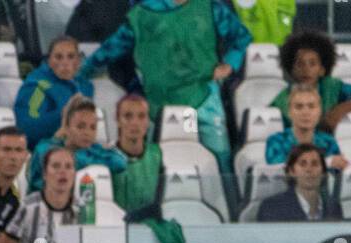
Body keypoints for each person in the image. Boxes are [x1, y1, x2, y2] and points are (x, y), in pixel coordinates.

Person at [77, 0, 252, 180]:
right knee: (153, 167)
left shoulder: (210, 7)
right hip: (158, 106)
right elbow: (111, 49)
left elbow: (242, 37)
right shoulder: (144, 13)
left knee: (219, 164)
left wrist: (229, 64)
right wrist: (80, 71)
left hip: (202, 103)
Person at [0, 146, 77, 243]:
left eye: (68, 166)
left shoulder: (82, 210)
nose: (63, 172)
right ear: (45, 174)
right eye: (56, 166)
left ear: (74, 173)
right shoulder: (27, 207)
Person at [270, 30, 351, 132]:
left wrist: (339, 110)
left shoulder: (332, 88)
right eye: (300, 64)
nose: (306, 69)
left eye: (312, 64)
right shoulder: (282, 99)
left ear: (322, 70)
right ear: (291, 70)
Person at [27, 95, 125, 193]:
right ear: (66, 127)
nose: (87, 133)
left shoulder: (93, 148)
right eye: (80, 126)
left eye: (93, 128)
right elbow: (66, 161)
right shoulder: (44, 148)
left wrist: (96, 148)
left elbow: (120, 163)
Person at [15, 35, 94, 151]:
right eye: (58, 57)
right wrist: (65, 114)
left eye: (71, 56)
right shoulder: (38, 86)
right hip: (45, 151)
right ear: (49, 60)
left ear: (78, 60)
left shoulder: (85, 86)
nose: (65, 63)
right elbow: (27, 127)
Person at [265, 84, 351, 173]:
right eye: (299, 107)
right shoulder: (276, 141)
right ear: (289, 112)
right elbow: (279, 172)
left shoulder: (328, 141)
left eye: (311, 106)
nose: (305, 112)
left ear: (319, 111)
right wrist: (326, 163)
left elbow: (337, 177)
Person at [257, 142, 343, 222]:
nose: (309, 169)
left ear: (323, 172)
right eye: (303, 164)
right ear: (292, 171)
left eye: (315, 164)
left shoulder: (333, 207)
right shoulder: (272, 207)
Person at [112, 93, 164, 215]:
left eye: (141, 116)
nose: (135, 123)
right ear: (118, 120)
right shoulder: (107, 157)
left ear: (148, 121)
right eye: (128, 116)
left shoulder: (158, 155)